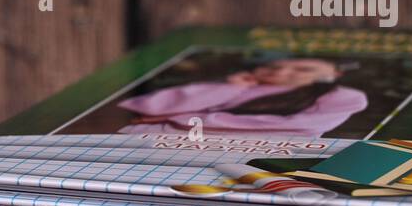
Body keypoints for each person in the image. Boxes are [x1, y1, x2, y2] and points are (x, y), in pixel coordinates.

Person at [117, 58, 368, 137]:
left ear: (333, 74)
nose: (282, 71)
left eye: (304, 69)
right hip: (151, 136)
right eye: (276, 65)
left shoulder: (343, 96)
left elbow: (299, 128)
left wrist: (187, 119)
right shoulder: (242, 85)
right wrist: (229, 87)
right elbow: (148, 106)